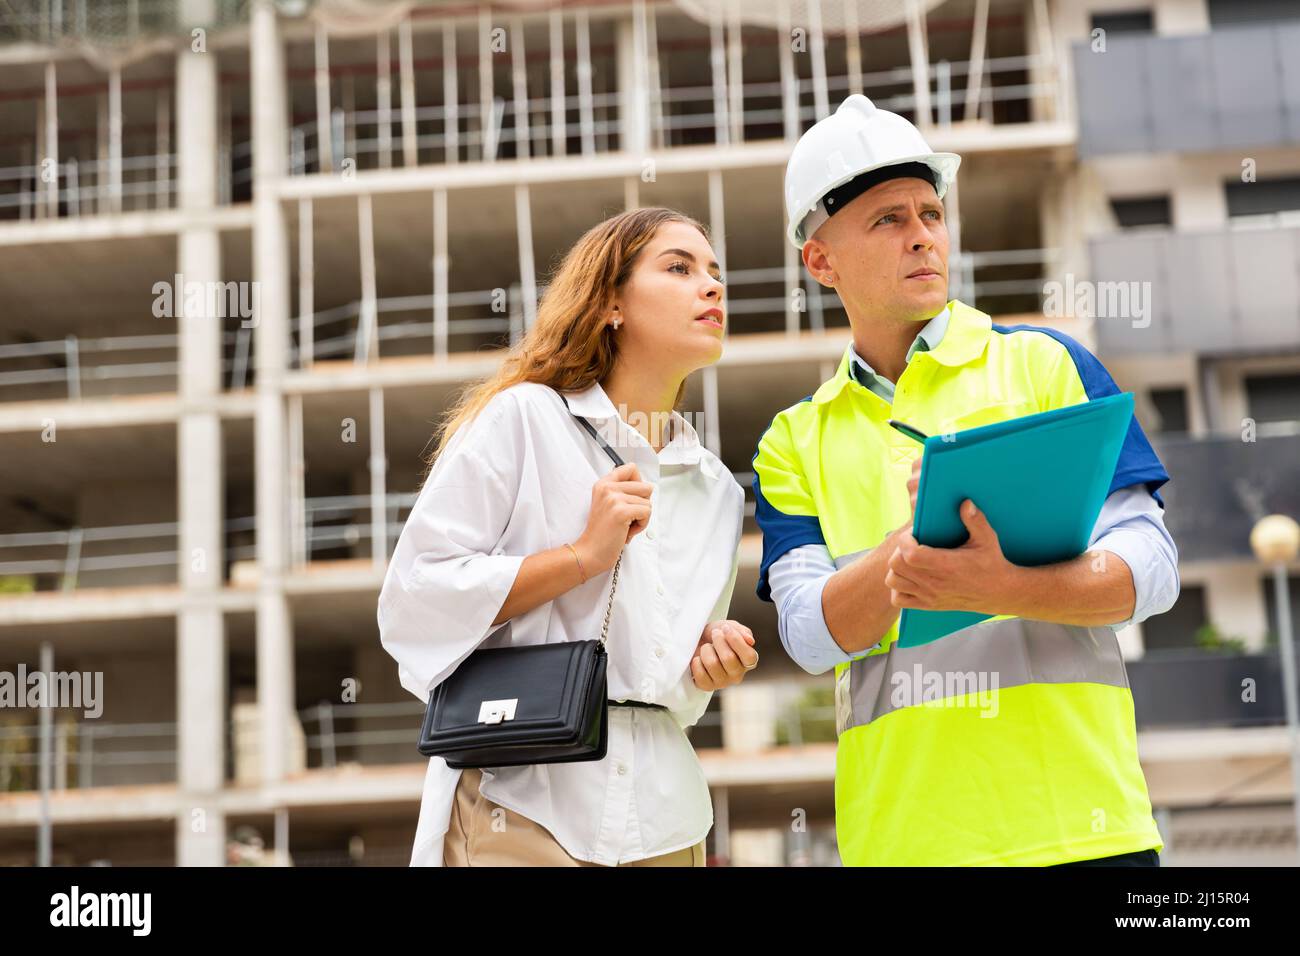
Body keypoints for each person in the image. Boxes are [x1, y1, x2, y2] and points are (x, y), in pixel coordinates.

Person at [753, 95, 1179, 866]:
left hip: (1083, 829)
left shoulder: (1048, 366)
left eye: (931, 213)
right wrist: (912, 550)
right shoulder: (792, 440)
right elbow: (813, 638)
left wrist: (999, 585)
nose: (923, 237)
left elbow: (1151, 572)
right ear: (820, 261)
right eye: (888, 220)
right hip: (905, 843)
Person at [379, 207, 757, 867]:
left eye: (715, 273)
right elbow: (413, 600)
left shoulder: (717, 491)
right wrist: (582, 557)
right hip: (522, 802)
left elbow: (674, 695)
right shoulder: (524, 419)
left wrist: (707, 661)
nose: (712, 286)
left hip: (666, 824)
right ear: (611, 303)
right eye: (679, 267)